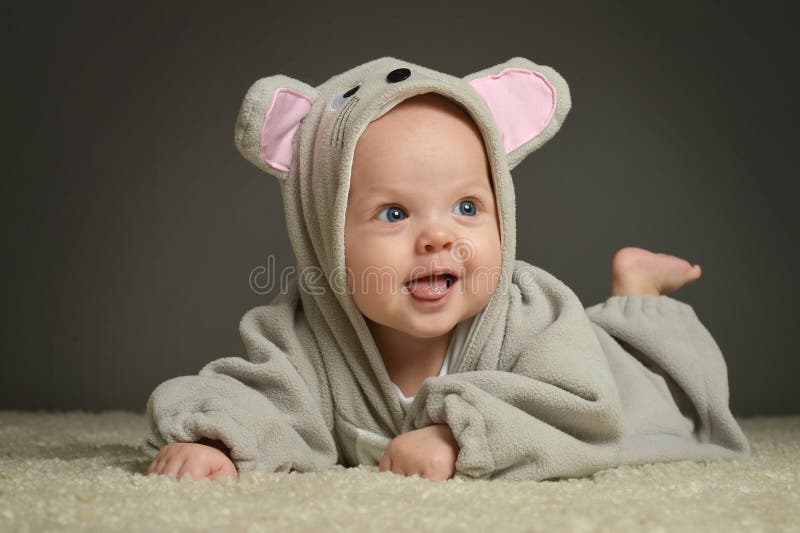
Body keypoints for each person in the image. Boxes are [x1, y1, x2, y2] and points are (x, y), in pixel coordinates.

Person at [144, 57, 750, 483]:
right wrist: (215, 440)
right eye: (394, 212)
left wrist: (459, 435)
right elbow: (261, 396)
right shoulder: (304, 334)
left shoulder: (534, 314)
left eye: (466, 207)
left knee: (670, 388)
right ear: (325, 236)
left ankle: (636, 293)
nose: (438, 236)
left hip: (611, 373)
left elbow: (582, 413)